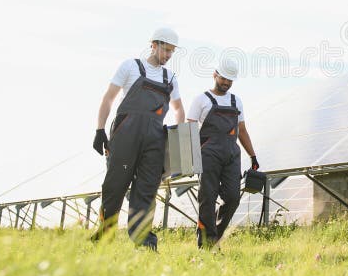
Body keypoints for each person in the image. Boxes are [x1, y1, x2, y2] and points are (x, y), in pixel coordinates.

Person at [91, 27, 185, 250]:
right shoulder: (130, 66)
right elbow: (109, 98)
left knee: (146, 190)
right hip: (125, 135)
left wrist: (178, 137)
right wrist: (99, 130)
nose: (168, 55)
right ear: (153, 45)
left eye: (172, 52)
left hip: (154, 141)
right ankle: (104, 237)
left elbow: (179, 109)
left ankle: (144, 242)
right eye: (165, 50)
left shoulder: (170, 77)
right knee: (114, 187)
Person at [187, 57, 259, 248]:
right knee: (207, 198)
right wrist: (192, 157)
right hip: (208, 155)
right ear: (215, 75)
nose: (226, 83)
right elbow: (190, 130)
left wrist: (253, 156)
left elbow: (242, 130)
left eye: (230, 80)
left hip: (231, 155)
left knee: (233, 197)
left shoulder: (236, 101)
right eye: (223, 78)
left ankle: (214, 237)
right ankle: (206, 243)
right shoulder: (201, 100)